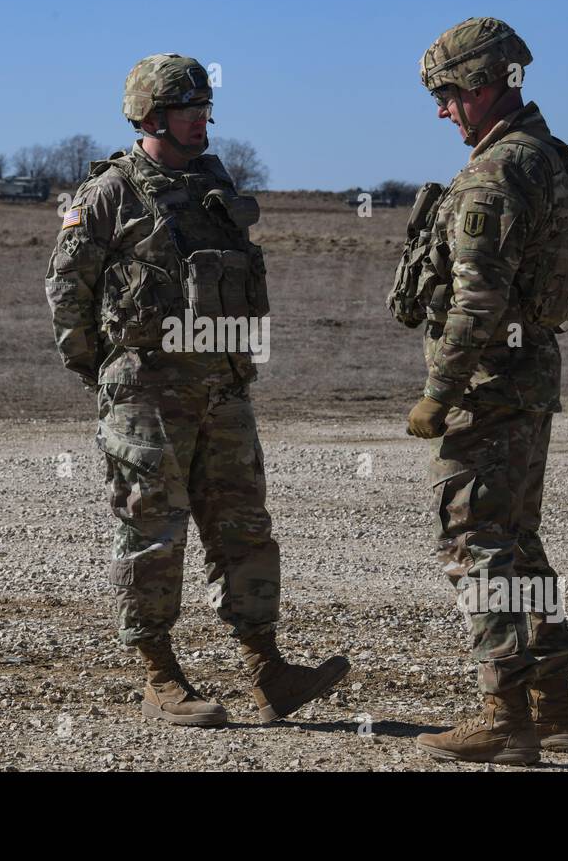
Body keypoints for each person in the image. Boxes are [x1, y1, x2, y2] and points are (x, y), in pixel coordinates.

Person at [46, 52, 349, 727]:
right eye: (189, 109)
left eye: (206, 108)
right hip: (146, 393)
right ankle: (159, 676)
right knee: (153, 531)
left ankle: (268, 671)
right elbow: (67, 292)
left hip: (224, 388)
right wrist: (109, 375)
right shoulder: (109, 193)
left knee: (244, 529)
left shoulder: (214, 184)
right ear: (151, 115)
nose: (202, 120)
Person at [388, 18, 568, 764]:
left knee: (476, 541)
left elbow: (477, 297)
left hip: (488, 384)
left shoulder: (497, 171)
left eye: (446, 95)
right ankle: (553, 705)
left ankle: (505, 714)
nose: (443, 110)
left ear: (479, 82)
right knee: (518, 539)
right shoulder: (551, 157)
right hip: (528, 376)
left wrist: (439, 391)